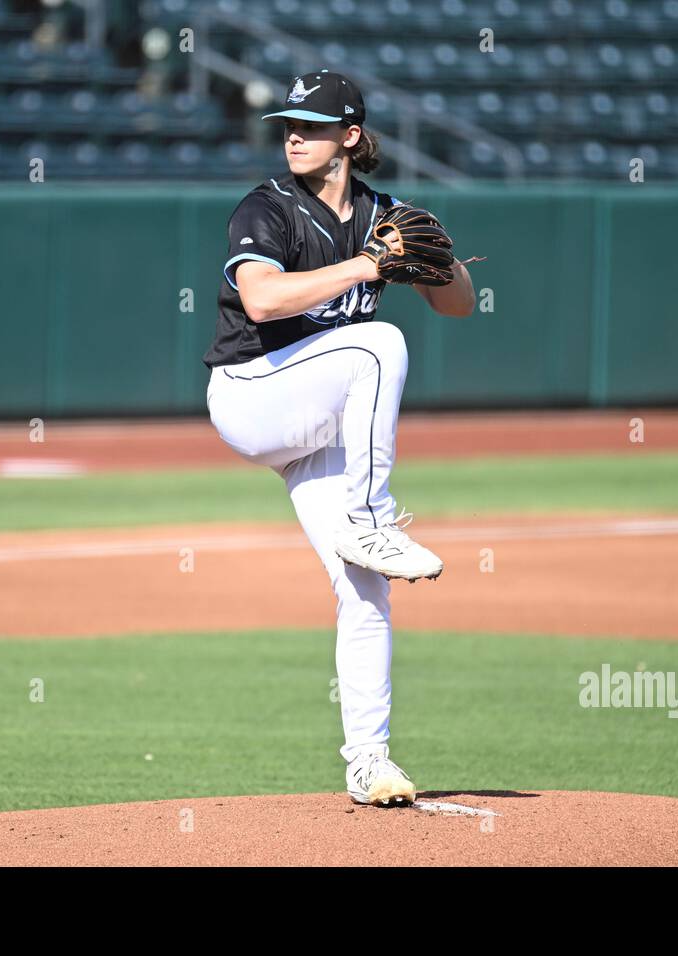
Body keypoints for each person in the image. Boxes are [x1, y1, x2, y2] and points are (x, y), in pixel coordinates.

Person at [201, 71, 477, 806]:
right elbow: (260, 295)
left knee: (364, 590)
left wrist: (431, 258)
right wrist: (364, 266)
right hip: (251, 396)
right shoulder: (267, 207)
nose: (294, 133)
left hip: (315, 421)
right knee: (377, 344)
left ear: (349, 137)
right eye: (289, 123)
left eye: (313, 124)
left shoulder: (385, 215)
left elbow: (459, 306)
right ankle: (371, 519)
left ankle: (369, 762)